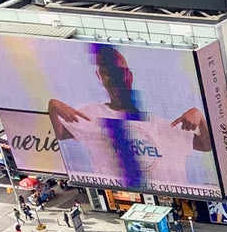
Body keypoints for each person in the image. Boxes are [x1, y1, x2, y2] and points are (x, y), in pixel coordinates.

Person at [47, 44, 212, 193]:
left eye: (119, 72)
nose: (116, 79)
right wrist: (53, 107)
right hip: (124, 195)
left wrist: (199, 117)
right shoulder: (93, 114)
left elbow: (206, 145)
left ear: (129, 76)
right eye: (108, 73)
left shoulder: (159, 124)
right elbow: (61, 133)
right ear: (100, 76)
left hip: (174, 198)